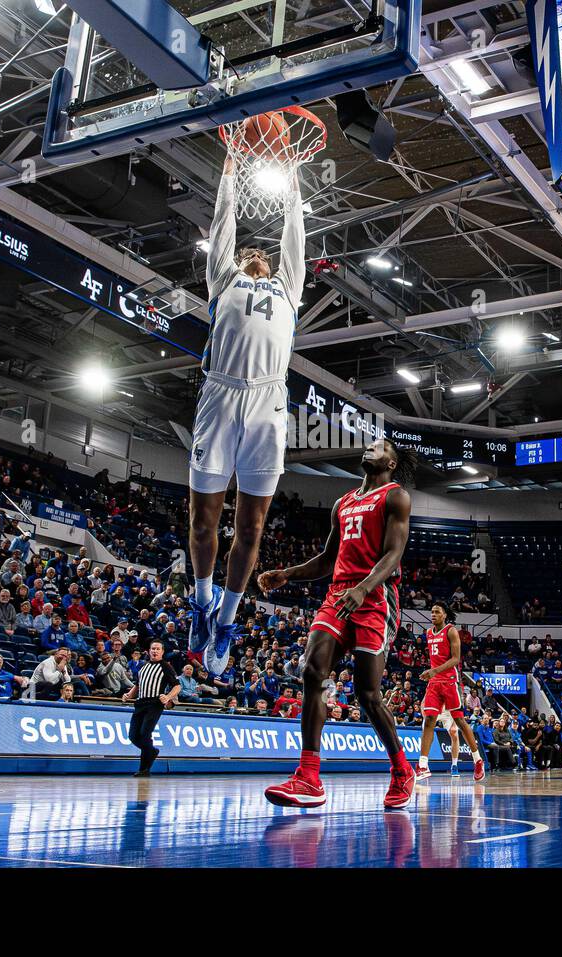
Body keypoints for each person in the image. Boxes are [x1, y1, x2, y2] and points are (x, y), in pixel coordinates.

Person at [187, 147, 306, 677]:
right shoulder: (223, 280)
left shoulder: (289, 285)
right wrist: (230, 169)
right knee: (202, 519)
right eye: (248, 251)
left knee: (252, 528)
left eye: (264, 252)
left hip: (267, 400)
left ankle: (228, 620)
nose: (257, 254)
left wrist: (295, 176)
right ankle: (202, 602)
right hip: (221, 393)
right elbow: (222, 224)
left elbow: (293, 234)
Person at [258, 438, 419, 810]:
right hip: (337, 596)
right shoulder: (343, 503)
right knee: (313, 673)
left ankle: (401, 769)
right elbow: (328, 558)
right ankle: (309, 777)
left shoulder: (397, 497)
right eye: (369, 446)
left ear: (391, 463)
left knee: (367, 694)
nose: (369, 449)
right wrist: (289, 574)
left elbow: (394, 554)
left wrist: (363, 589)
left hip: (376, 598)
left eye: (378, 448)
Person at [415, 602, 484, 782]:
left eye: (437, 612)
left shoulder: (451, 631)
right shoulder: (428, 633)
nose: (433, 614)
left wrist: (434, 671)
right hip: (434, 682)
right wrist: (431, 674)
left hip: (450, 681)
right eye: (432, 612)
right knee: (429, 719)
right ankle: (422, 764)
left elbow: (455, 659)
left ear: (445, 615)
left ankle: (477, 760)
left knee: (460, 721)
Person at [121, 639, 179, 776]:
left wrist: (168, 697)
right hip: (140, 703)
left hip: (154, 704)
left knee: (145, 734)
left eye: (158, 649)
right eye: (153, 648)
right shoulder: (143, 667)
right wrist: (129, 695)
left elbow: (177, 686)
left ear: (162, 652)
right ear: (149, 651)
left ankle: (144, 769)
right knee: (133, 736)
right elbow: (138, 685)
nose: (155, 651)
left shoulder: (165, 666)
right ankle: (152, 751)